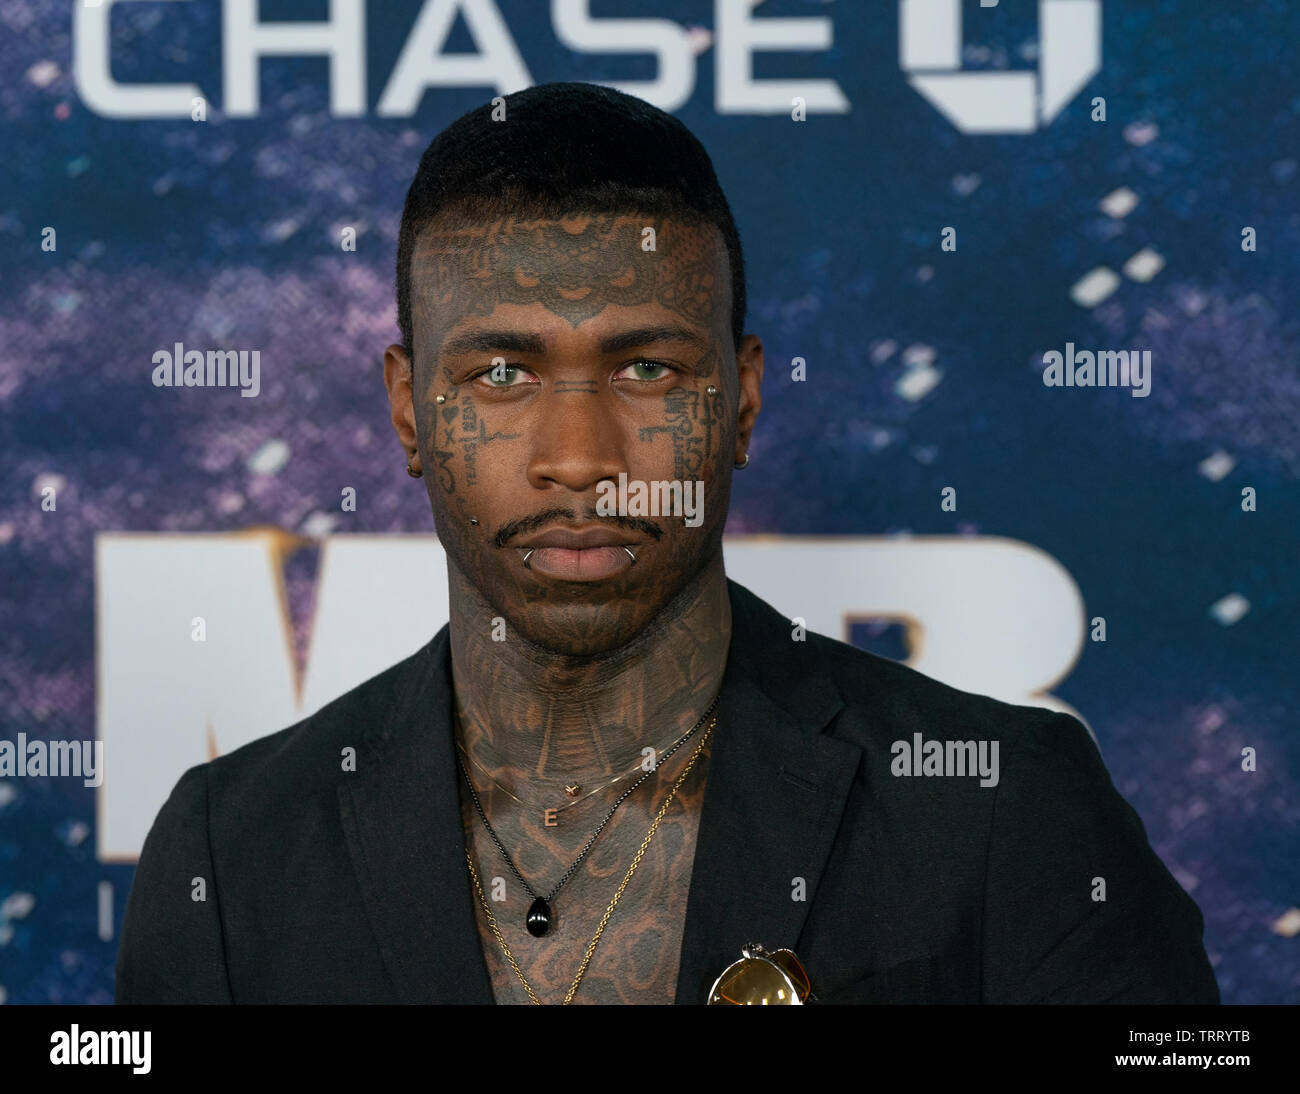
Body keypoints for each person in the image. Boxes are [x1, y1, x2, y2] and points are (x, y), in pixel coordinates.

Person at [115, 82, 1218, 1005]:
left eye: (647, 368)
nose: (581, 455)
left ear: (739, 400)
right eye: (501, 372)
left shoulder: (1004, 809)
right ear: (409, 410)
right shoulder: (236, 851)